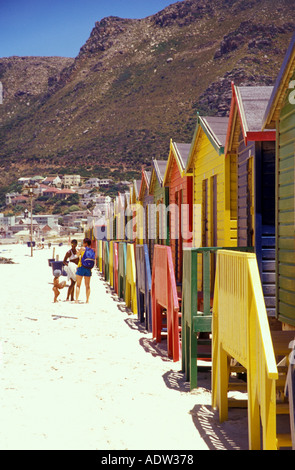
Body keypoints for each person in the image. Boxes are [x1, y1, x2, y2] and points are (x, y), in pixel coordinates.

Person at [75, 238, 95, 303]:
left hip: (81, 267)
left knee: (78, 285)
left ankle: (76, 300)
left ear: (86, 243)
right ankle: (87, 300)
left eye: (83, 242)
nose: (83, 243)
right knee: (87, 285)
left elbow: (77, 255)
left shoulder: (82, 248)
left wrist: (78, 252)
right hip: (88, 268)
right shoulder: (92, 250)